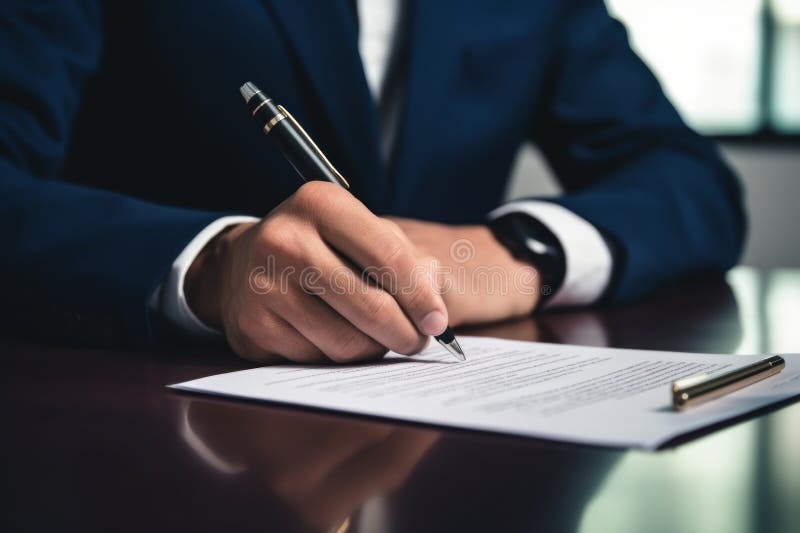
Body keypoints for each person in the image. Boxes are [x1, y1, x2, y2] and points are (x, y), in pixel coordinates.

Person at [0, 1, 745, 363]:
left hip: (456, 453)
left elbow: (691, 179)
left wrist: (522, 253)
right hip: (149, 444)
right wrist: (213, 266)